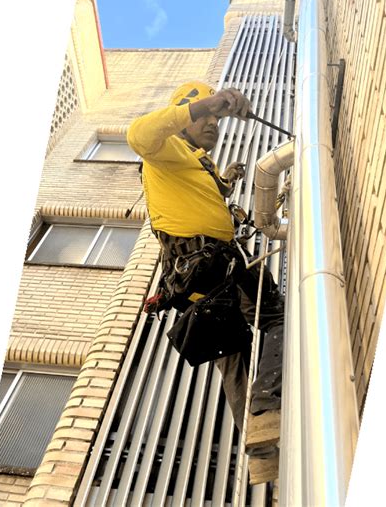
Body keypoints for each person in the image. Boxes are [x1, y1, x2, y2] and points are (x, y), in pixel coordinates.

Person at [127, 81, 284, 484]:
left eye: (217, 118)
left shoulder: (197, 164)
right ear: (184, 117)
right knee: (277, 319)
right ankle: (266, 411)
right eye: (205, 116)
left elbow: (209, 201)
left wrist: (229, 182)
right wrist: (210, 102)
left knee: (233, 355)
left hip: (209, 272)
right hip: (209, 267)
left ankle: (261, 443)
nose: (213, 122)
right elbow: (139, 134)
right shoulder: (164, 151)